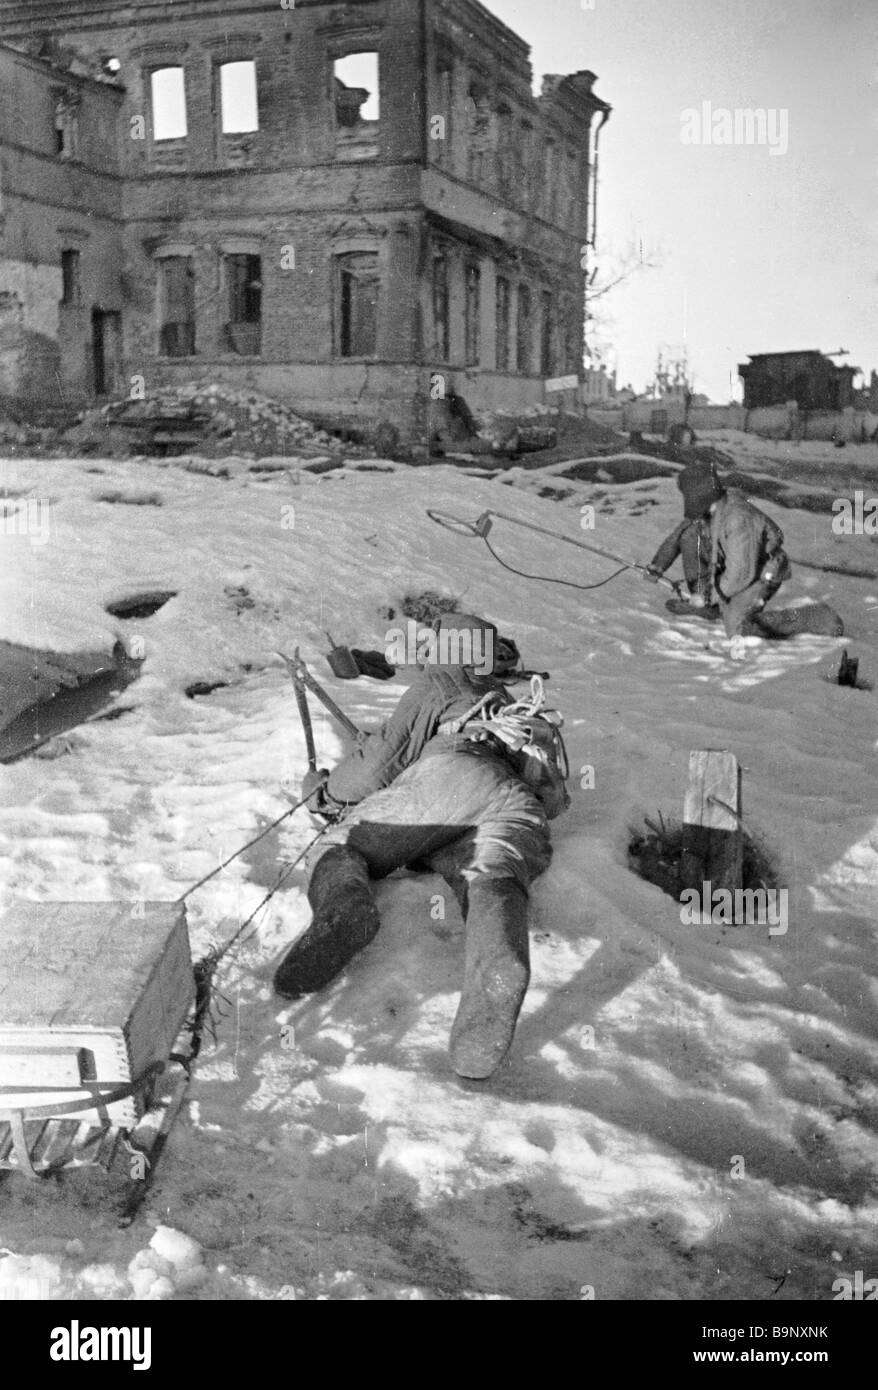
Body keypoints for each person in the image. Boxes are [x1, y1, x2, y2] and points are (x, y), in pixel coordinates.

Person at [273, 614, 570, 1080]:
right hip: (513, 803)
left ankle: (346, 905)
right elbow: (553, 799)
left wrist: (326, 794)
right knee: (493, 873)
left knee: (343, 844)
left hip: (447, 779)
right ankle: (495, 958)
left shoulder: (438, 684)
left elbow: (377, 767)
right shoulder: (506, 702)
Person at [644, 461, 725, 616]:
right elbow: (674, 540)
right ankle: (702, 597)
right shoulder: (697, 517)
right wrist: (657, 566)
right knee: (689, 537)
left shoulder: (731, 515)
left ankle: (722, 602)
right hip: (716, 576)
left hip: (739, 580)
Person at [707, 487, 790, 638]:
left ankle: (811, 621)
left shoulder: (738, 518)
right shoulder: (719, 509)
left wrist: (709, 597)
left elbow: (741, 573)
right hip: (750, 569)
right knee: (728, 609)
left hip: (765, 571)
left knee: (738, 630)